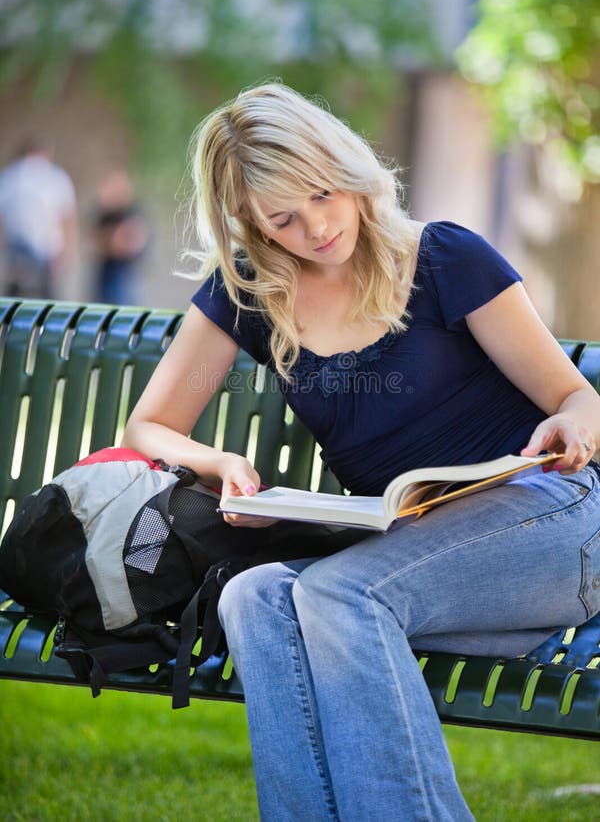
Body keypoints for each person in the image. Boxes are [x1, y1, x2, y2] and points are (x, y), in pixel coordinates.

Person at [122, 83, 600, 821]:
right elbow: (148, 426)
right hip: (415, 556)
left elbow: (578, 398)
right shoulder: (251, 295)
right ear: (249, 222)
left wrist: (573, 425)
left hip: (551, 525)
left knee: (340, 594)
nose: (316, 226)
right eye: (283, 216)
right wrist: (220, 467)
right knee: (255, 597)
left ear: (347, 170)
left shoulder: (444, 258)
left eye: (323, 193)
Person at [0, 137, 78, 299]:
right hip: (44, 252)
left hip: (23, 254)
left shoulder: (9, 177)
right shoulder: (56, 178)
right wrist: (66, 254)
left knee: (16, 304)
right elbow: (66, 220)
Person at [91, 168, 150, 305]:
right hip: (104, 277)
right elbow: (94, 243)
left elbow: (136, 242)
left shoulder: (133, 211)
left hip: (126, 278)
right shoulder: (103, 214)